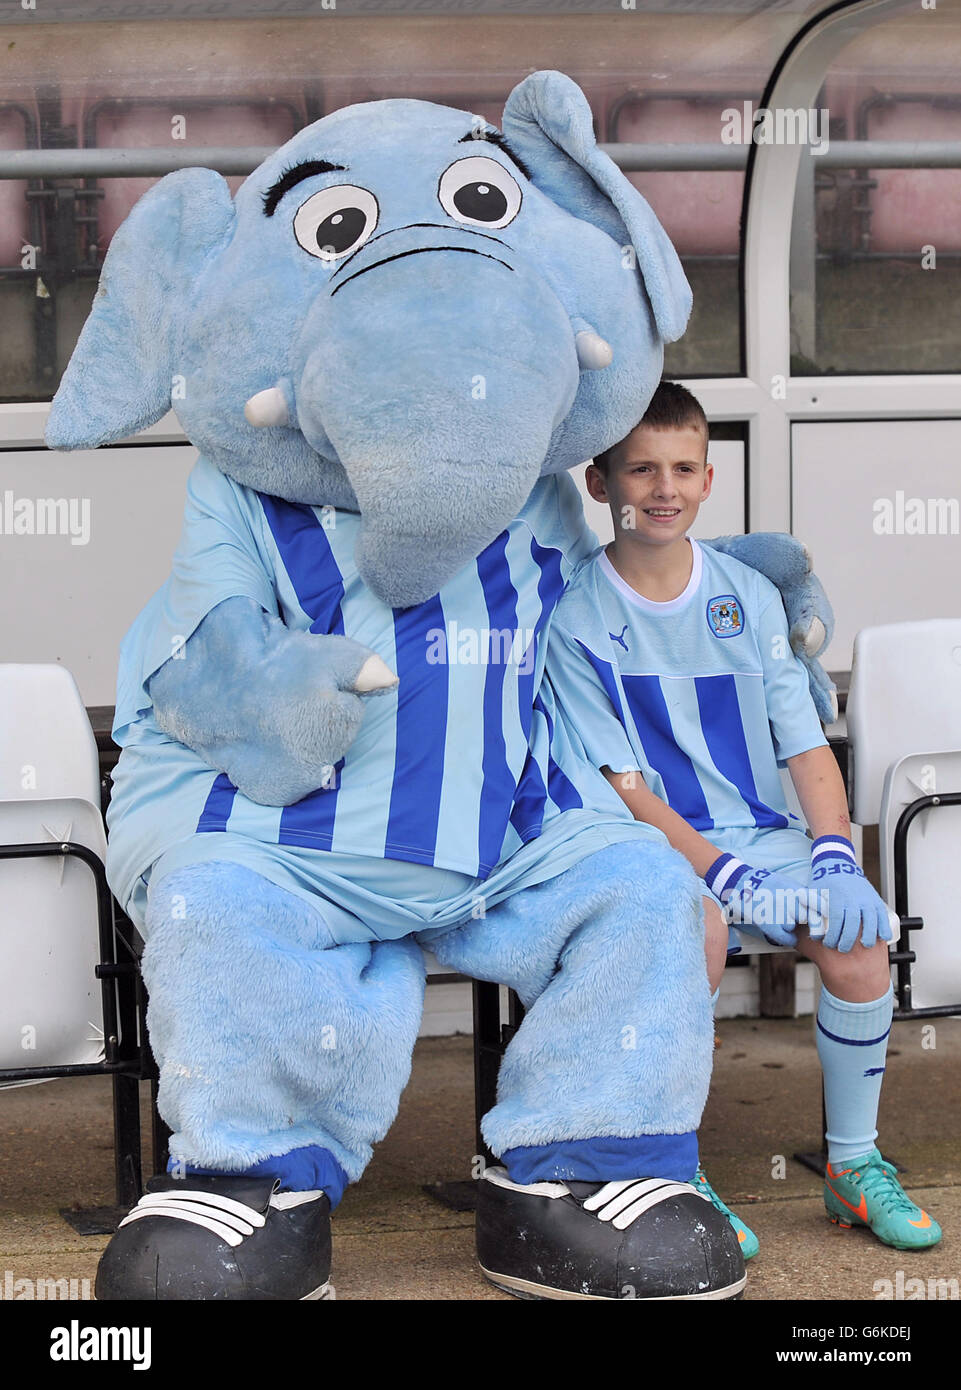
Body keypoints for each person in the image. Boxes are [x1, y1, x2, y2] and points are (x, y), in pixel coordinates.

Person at [545, 380, 942, 1255]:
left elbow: (807, 750)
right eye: (640, 469)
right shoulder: (575, 612)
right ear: (600, 484)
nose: (663, 488)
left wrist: (834, 854)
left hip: (768, 839)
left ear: (709, 480)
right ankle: (671, 1172)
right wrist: (722, 876)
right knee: (698, 931)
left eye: (683, 467)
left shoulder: (747, 597)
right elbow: (624, 788)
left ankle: (852, 1168)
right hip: (652, 849)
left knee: (856, 939)